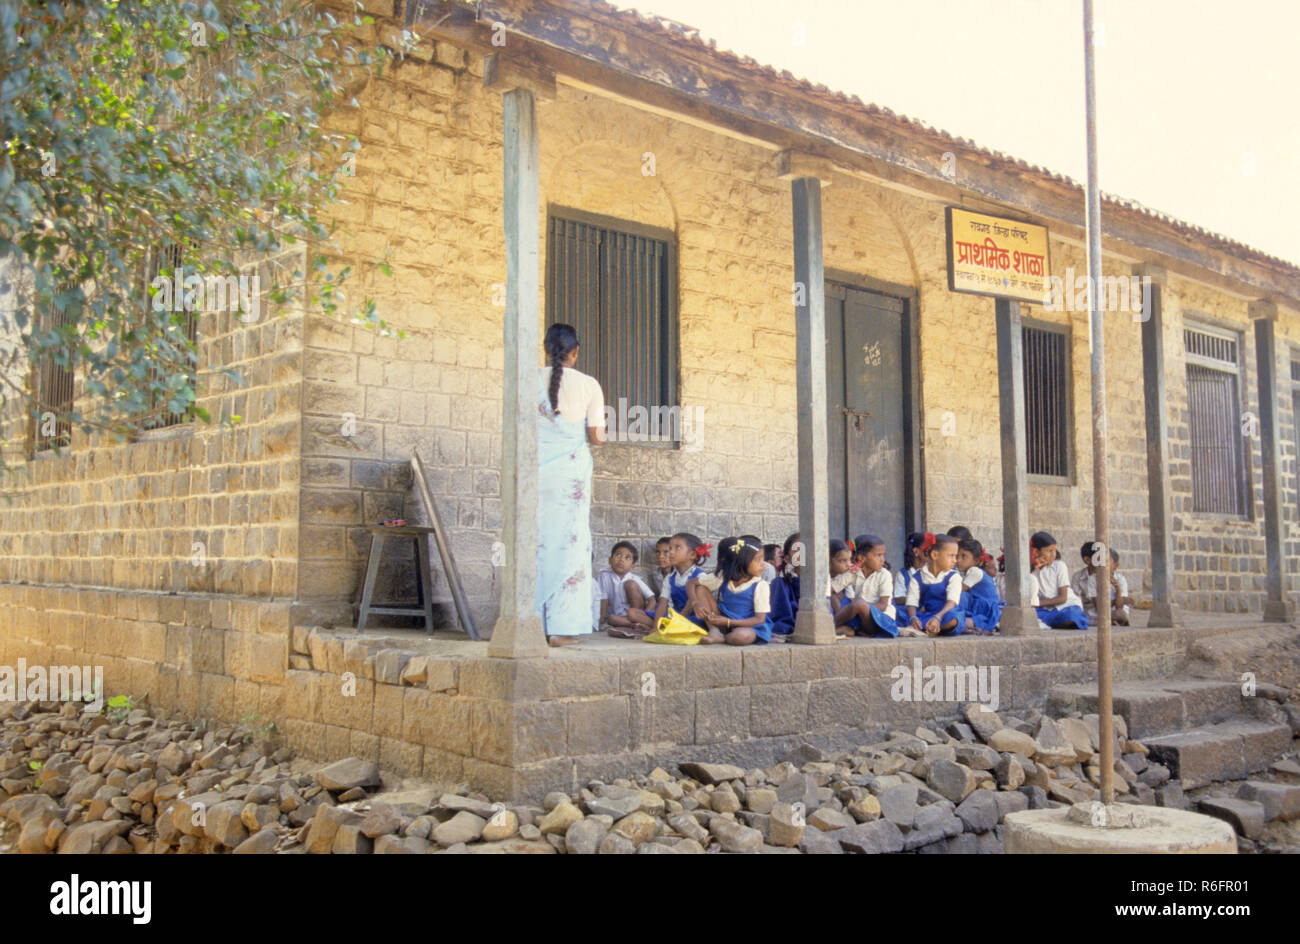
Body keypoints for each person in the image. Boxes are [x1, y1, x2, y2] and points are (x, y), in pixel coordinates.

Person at [535, 323, 605, 647]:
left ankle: (532, 622)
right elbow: (597, 437)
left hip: (536, 475)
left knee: (536, 542)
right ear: (575, 352)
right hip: (572, 477)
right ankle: (563, 628)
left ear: (546, 349)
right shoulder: (589, 385)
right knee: (572, 545)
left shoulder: (529, 381)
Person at [703, 538, 773, 646]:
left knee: (741, 636)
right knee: (701, 589)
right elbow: (693, 584)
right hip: (724, 620)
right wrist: (696, 603)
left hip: (749, 626)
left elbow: (759, 619)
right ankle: (714, 630)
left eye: (762, 559)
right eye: (758, 560)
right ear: (742, 561)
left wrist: (728, 622)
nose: (763, 565)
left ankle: (722, 638)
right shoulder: (724, 577)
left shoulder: (760, 585)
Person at [835, 534, 899, 638]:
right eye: (878, 555)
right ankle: (838, 627)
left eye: (883, 555)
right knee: (837, 596)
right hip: (862, 619)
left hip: (882, 621)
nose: (882, 559)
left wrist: (860, 606)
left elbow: (883, 605)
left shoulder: (885, 575)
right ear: (861, 558)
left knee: (858, 602)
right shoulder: (855, 572)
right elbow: (833, 588)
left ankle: (832, 628)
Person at [905, 533, 965, 636]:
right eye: (951, 556)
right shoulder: (917, 577)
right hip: (927, 615)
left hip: (945, 614)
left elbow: (952, 603)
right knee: (900, 613)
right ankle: (927, 628)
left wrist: (938, 617)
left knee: (954, 618)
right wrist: (913, 618)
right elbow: (911, 603)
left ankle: (929, 629)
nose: (955, 560)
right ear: (935, 555)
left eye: (956, 556)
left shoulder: (954, 577)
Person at [597, 541, 656, 638]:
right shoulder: (604, 576)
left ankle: (639, 621)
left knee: (630, 585)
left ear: (632, 566)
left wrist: (643, 614)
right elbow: (603, 599)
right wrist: (600, 621)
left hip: (635, 613)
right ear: (610, 560)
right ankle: (635, 626)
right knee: (611, 618)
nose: (621, 560)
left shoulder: (634, 578)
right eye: (618, 555)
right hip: (620, 617)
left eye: (627, 558)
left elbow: (652, 599)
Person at [1031, 531, 1089, 629]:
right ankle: (1051, 622)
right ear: (1036, 552)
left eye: (1054, 550)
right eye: (1049, 551)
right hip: (1044, 609)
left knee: (1073, 615)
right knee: (1025, 616)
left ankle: (1047, 622)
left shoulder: (1059, 566)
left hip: (1064, 606)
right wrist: (1032, 568)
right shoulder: (1030, 570)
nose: (1053, 555)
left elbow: (1063, 598)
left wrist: (1036, 603)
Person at [653, 532, 713, 627]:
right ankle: (664, 626)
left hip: (692, 617)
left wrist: (676, 622)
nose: (671, 552)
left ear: (692, 555)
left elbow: (689, 607)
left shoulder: (700, 576)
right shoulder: (670, 578)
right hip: (675, 614)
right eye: (670, 548)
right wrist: (655, 626)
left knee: (691, 624)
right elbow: (663, 603)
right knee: (634, 614)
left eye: (677, 548)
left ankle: (670, 627)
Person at [1072, 542, 1133, 626]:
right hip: (1092, 611)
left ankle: (1113, 622)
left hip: (1114, 611)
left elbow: (1120, 605)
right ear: (1087, 560)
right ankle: (1110, 623)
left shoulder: (1119, 579)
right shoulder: (1079, 577)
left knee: (1119, 614)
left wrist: (1118, 589)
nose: (1103, 563)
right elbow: (1078, 602)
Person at [956, 537, 1003, 634]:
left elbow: (960, 589)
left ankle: (963, 622)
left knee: (961, 596)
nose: (958, 560)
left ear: (976, 561)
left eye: (963, 556)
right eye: (957, 556)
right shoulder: (965, 572)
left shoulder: (975, 571)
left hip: (985, 607)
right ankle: (968, 623)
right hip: (979, 605)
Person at [768, 531, 801, 635]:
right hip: (789, 630)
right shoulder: (781, 584)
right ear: (787, 558)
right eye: (798, 550)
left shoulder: (823, 581)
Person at [893, 531, 927, 608]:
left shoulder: (932, 570)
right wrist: (918, 599)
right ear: (916, 551)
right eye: (927, 549)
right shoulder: (903, 574)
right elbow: (898, 599)